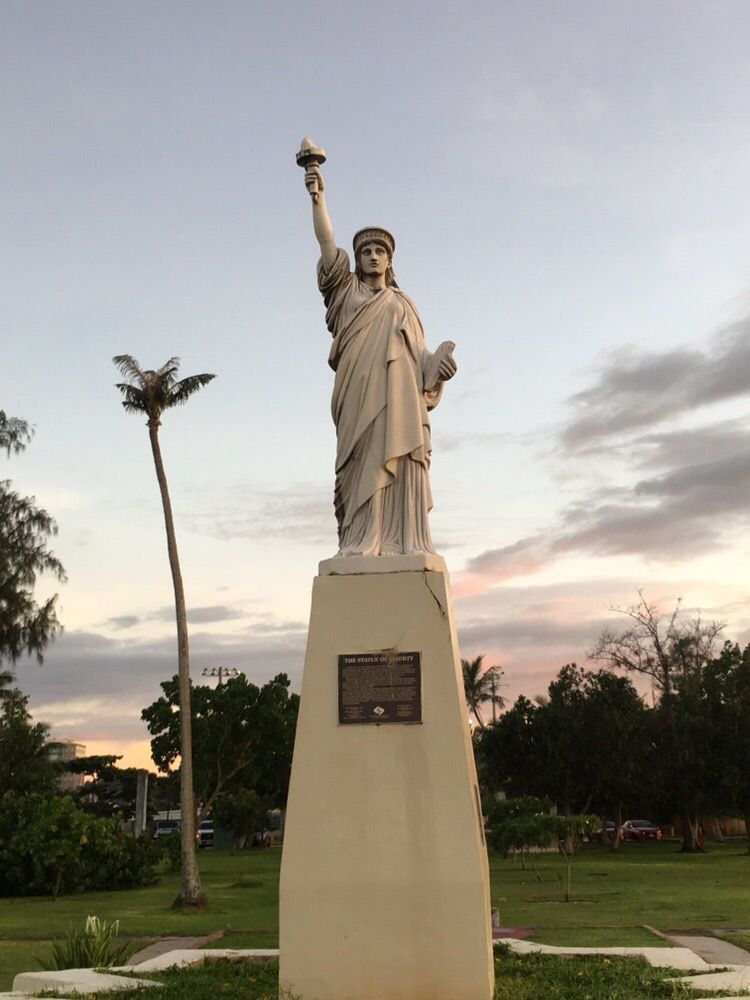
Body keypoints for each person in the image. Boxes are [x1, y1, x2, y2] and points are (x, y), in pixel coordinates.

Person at [303, 162, 457, 557]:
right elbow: (326, 244)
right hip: (357, 395)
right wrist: (317, 197)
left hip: (397, 401)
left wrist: (438, 370)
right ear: (357, 260)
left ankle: (401, 541)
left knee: (399, 458)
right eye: (366, 251)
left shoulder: (403, 304)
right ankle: (360, 540)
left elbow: (420, 359)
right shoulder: (345, 293)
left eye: (380, 251)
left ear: (390, 261)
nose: (373, 256)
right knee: (360, 464)